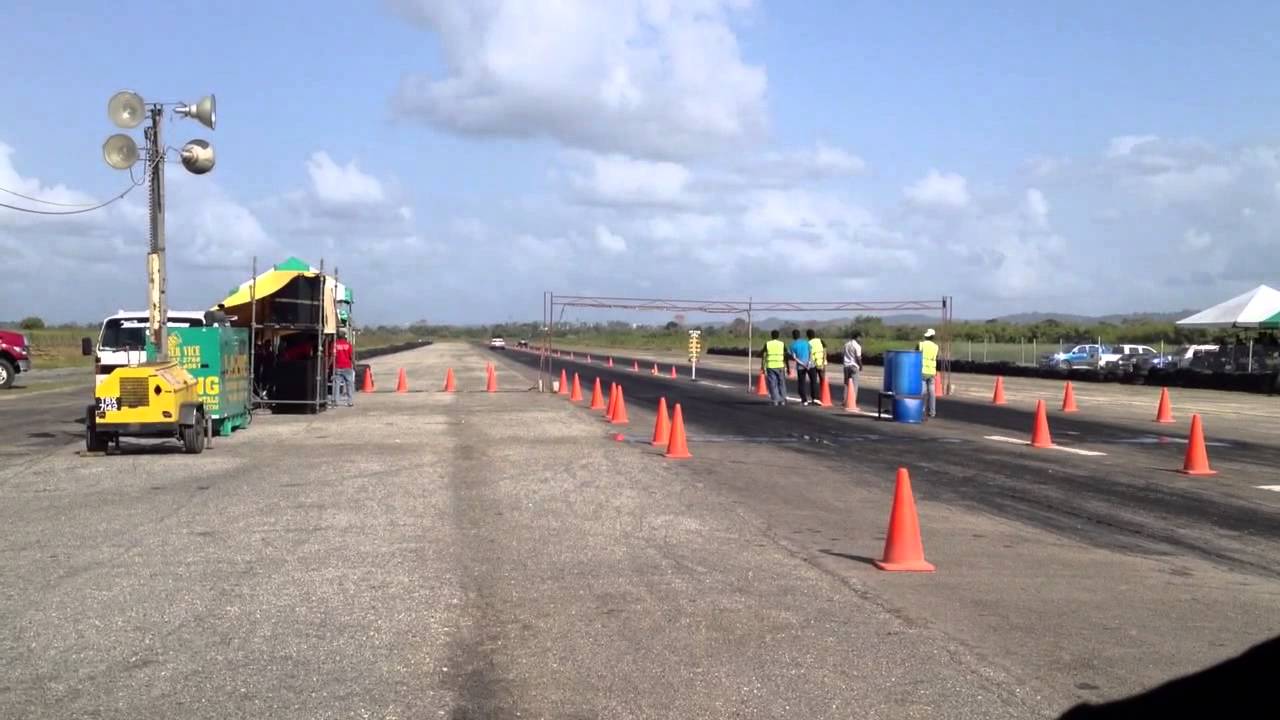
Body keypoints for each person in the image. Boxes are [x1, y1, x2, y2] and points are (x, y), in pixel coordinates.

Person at [761, 329, 788, 406]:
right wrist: (787, 367)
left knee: (773, 384)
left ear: (771, 336)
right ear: (778, 336)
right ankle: (782, 400)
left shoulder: (768, 344)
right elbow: (785, 356)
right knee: (781, 383)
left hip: (771, 366)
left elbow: (764, 356)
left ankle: (775, 400)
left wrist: (762, 366)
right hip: (780, 365)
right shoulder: (782, 344)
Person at [918, 328, 940, 418]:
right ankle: (932, 412)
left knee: (922, 392)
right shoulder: (936, 347)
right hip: (932, 372)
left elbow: (915, 354)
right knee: (932, 393)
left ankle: (922, 410)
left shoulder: (921, 344)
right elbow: (936, 357)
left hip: (923, 370)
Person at [331, 329, 355, 407]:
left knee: (337, 385)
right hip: (347, 367)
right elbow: (351, 356)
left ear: (337, 336)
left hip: (338, 367)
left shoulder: (335, 345)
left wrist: (328, 366)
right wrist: (354, 365)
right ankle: (350, 402)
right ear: (345, 336)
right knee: (349, 385)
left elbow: (333, 356)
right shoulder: (348, 345)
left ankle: (336, 402)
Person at [789, 329, 813, 405]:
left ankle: (804, 400)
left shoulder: (792, 345)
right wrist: (809, 362)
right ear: (799, 335)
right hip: (810, 365)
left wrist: (803, 364)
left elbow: (794, 357)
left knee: (801, 384)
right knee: (813, 382)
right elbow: (811, 352)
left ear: (793, 336)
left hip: (801, 367)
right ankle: (814, 398)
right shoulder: (806, 342)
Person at [842, 330, 863, 406]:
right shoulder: (857, 346)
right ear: (857, 337)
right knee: (854, 385)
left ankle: (845, 401)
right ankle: (852, 401)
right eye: (860, 337)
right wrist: (861, 366)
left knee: (846, 384)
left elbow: (843, 355)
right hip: (854, 366)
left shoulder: (846, 344)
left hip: (846, 366)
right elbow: (858, 358)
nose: (861, 339)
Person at [807, 329, 827, 405]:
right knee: (823, 380)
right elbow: (825, 351)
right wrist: (823, 362)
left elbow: (809, 355)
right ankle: (824, 396)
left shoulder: (808, 343)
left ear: (808, 336)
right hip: (822, 363)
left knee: (813, 382)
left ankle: (815, 398)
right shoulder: (820, 340)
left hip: (813, 365)